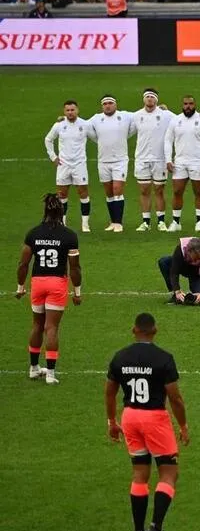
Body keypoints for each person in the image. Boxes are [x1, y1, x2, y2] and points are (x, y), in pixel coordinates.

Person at [105, 313, 190, 531]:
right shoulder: (163, 358)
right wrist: (182, 426)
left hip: (130, 416)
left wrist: (112, 421)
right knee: (169, 472)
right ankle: (155, 527)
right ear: (155, 330)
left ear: (134, 330)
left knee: (140, 474)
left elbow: (110, 392)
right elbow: (175, 397)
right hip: (154, 418)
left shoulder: (120, 357)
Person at [16, 193, 82, 384]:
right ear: (62, 211)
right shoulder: (69, 235)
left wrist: (21, 287)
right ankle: (51, 374)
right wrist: (77, 292)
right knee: (51, 327)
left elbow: (23, 264)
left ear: (45, 211)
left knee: (37, 325)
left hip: (37, 282)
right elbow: (75, 267)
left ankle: (34, 368)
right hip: (56, 283)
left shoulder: (33, 233)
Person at [163, 96, 200, 232]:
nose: (188, 106)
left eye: (191, 104)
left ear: (195, 105)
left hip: (197, 162)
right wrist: (168, 159)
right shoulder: (175, 120)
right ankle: (176, 222)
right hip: (179, 162)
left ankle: (199, 222)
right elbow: (168, 140)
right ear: (182, 105)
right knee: (177, 191)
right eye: (185, 104)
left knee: (198, 192)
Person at [89, 95, 136, 233]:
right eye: (105, 104)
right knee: (109, 193)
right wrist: (63, 120)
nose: (108, 106)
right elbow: (82, 125)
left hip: (120, 160)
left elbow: (142, 115)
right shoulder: (96, 118)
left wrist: (161, 110)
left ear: (115, 104)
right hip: (103, 160)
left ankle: (119, 223)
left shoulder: (125, 116)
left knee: (117, 190)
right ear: (102, 106)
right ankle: (113, 222)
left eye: (110, 103)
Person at [44, 100, 93, 233]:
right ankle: (62, 223)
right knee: (62, 194)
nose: (70, 112)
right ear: (64, 112)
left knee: (83, 193)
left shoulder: (85, 124)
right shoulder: (59, 125)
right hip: (63, 165)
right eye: (68, 110)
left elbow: (97, 137)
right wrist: (53, 156)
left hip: (79, 164)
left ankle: (85, 224)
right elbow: (48, 139)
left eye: (73, 110)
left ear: (77, 110)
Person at [133, 89, 175, 232]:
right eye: (147, 97)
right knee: (144, 190)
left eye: (152, 97)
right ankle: (146, 222)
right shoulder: (136, 115)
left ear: (156, 100)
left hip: (159, 159)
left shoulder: (166, 115)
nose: (149, 99)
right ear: (144, 99)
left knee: (159, 190)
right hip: (142, 158)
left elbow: (183, 119)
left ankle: (161, 221)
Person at [157, 237, 200, 305]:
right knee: (164, 262)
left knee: (199, 297)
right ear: (188, 251)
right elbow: (174, 271)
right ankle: (175, 295)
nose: (196, 262)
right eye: (194, 258)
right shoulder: (180, 248)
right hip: (186, 267)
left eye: (199, 258)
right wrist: (177, 290)